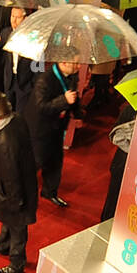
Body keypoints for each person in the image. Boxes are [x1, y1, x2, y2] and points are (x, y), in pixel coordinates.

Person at [0, 92, 38, 273]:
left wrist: (15, 201)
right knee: (9, 220)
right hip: (19, 186)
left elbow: (12, 177)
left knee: (17, 226)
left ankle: (16, 262)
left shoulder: (5, 141)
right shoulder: (16, 119)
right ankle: (3, 244)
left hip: (14, 192)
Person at [21, 60, 80, 207]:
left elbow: (72, 97)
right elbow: (41, 106)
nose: (79, 66)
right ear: (64, 62)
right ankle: (20, 193)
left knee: (55, 161)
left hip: (57, 126)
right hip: (39, 129)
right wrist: (63, 100)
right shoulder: (45, 79)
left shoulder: (72, 76)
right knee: (36, 162)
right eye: (76, 63)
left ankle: (50, 192)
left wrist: (77, 111)